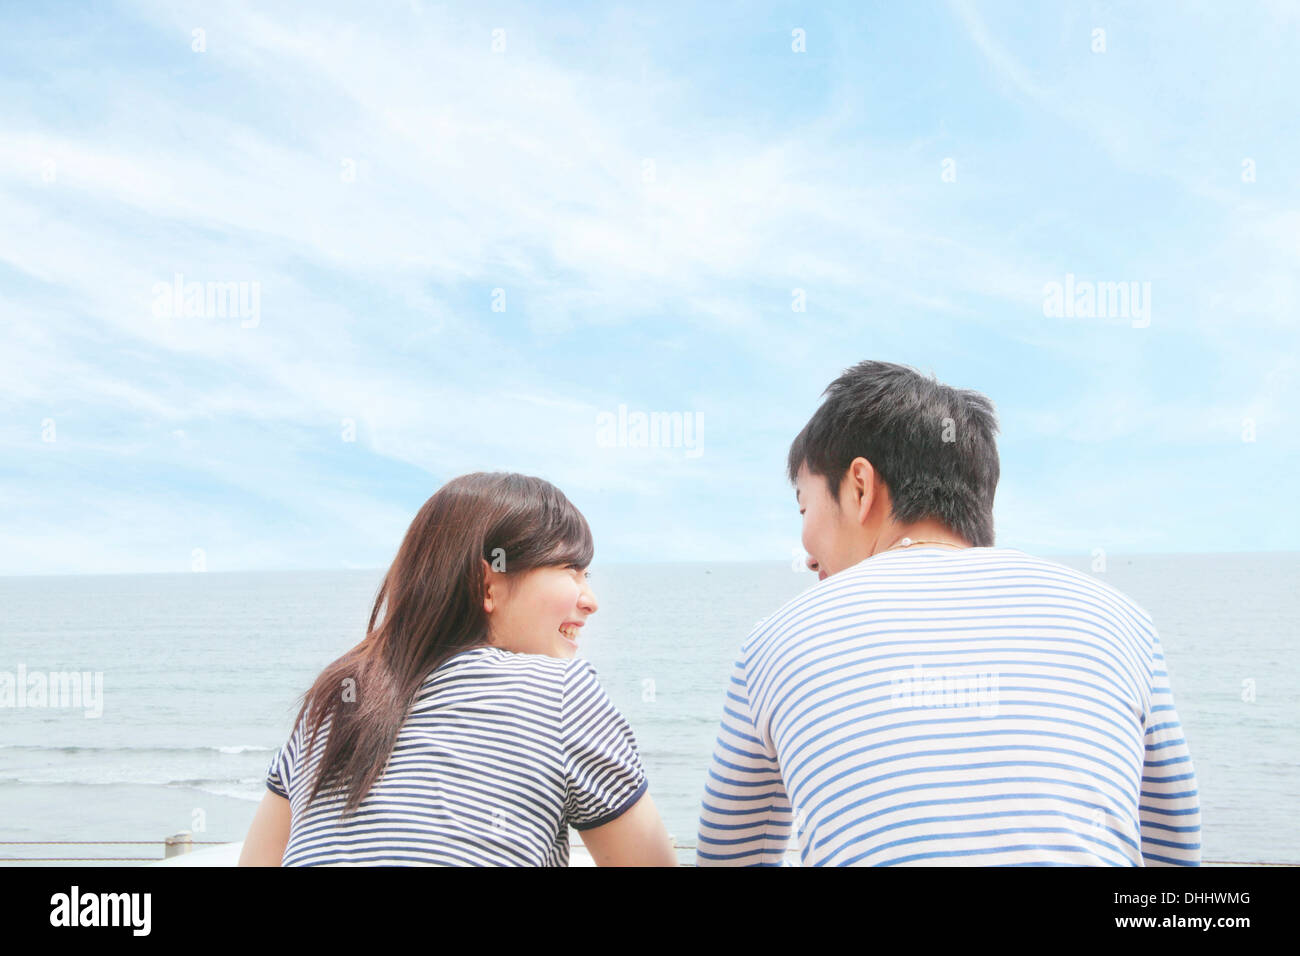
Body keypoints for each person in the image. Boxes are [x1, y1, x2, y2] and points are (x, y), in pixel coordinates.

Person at [696, 361, 1201, 866]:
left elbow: (730, 856)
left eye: (804, 509)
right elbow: (1173, 849)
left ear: (859, 487)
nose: (807, 555)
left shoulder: (774, 642)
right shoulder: (1121, 622)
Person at [240, 472, 676, 866]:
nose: (590, 600)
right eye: (570, 569)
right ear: (490, 584)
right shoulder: (561, 692)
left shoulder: (338, 695)